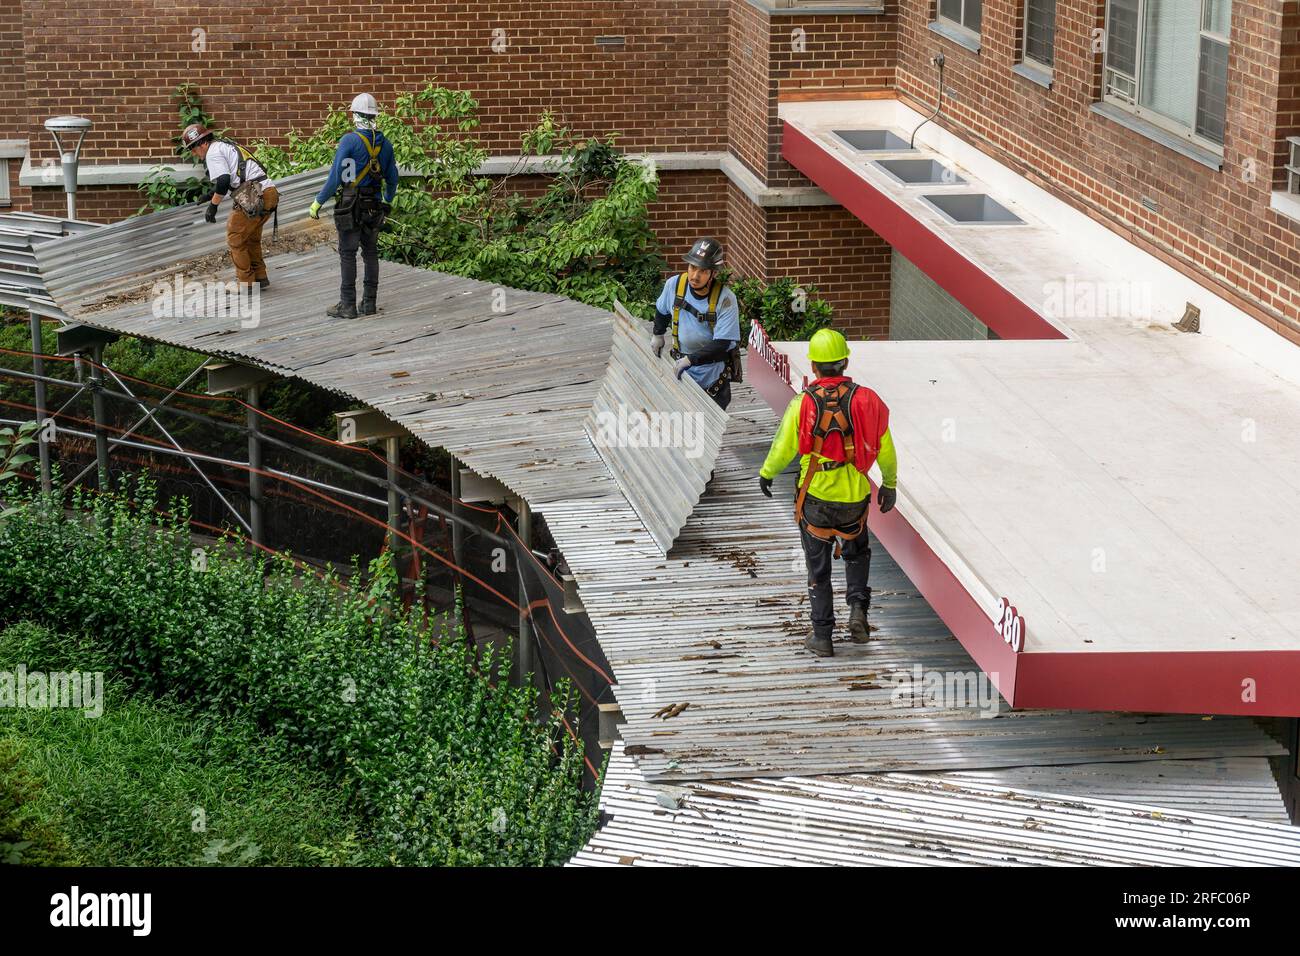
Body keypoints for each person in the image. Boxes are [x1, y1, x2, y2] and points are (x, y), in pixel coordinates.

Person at [758, 328, 898, 657]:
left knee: (817, 567)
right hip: (854, 500)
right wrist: (889, 484)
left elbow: (783, 447)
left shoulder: (803, 403)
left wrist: (767, 473)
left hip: (815, 500)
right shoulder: (868, 400)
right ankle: (858, 612)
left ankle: (822, 637)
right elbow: (885, 448)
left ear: (815, 368)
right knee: (857, 553)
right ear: (845, 362)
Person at [309, 93, 399, 319]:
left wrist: (318, 202)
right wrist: (388, 200)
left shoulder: (349, 141)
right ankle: (369, 302)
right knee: (370, 252)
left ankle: (347, 305)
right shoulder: (385, 144)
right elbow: (393, 178)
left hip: (351, 205)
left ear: (356, 115)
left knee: (348, 253)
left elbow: (336, 176)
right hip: (374, 206)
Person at [182, 123, 278, 289]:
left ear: (203, 143)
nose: (193, 153)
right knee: (251, 238)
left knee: (235, 238)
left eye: (193, 148)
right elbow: (233, 177)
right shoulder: (224, 145)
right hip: (268, 192)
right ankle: (260, 277)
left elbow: (224, 181)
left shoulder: (212, 153)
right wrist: (210, 195)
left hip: (253, 195)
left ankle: (246, 283)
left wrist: (213, 206)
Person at [650, 237, 740, 411]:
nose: (695, 275)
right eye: (692, 267)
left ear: (713, 273)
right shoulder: (674, 286)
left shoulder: (726, 299)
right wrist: (657, 334)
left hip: (711, 378)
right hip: (680, 372)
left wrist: (691, 359)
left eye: (703, 271)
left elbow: (722, 343)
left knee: (708, 431)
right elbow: (662, 310)